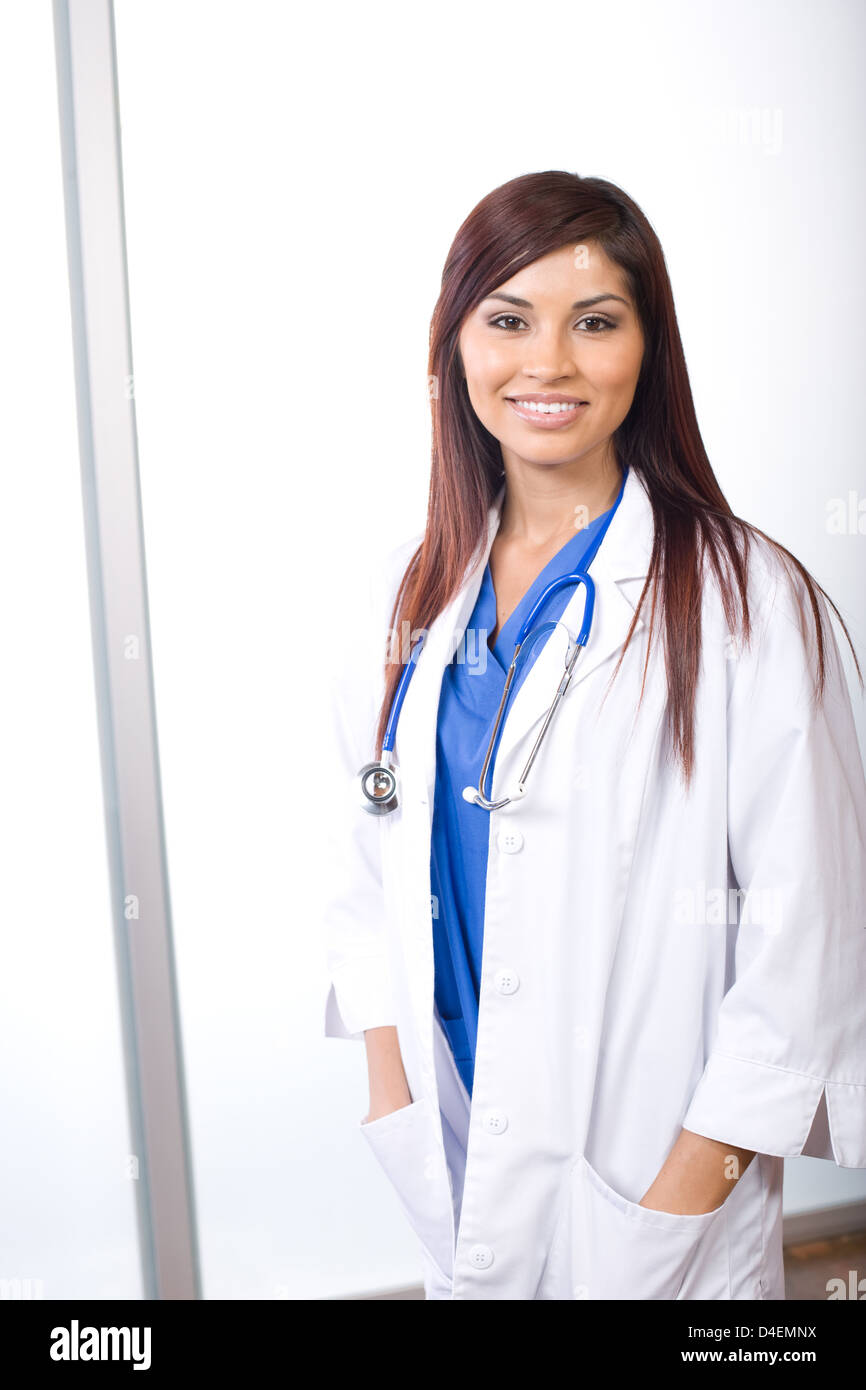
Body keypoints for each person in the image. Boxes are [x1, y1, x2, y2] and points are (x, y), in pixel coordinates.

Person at [321, 170, 866, 1301]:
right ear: (454, 345)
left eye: (595, 323)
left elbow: (803, 944)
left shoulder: (746, 600)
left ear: (646, 349)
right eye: (507, 320)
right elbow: (370, 882)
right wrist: (393, 1097)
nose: (547, 364)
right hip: (459, 1164)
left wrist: (677, 1203)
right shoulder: (406, 600)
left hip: (656, 1213)